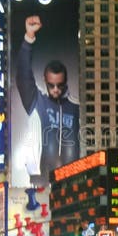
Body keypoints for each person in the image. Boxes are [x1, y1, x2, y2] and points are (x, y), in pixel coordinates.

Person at [15, 15, 80, 180]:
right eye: (51, 85)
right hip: (41, 177)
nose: (56, 89)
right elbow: (22, 76)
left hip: (71, 179)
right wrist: (29, 37)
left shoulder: (76, 107)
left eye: (60, 85)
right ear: (45, 80)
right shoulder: (37, 101)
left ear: (66, 81)